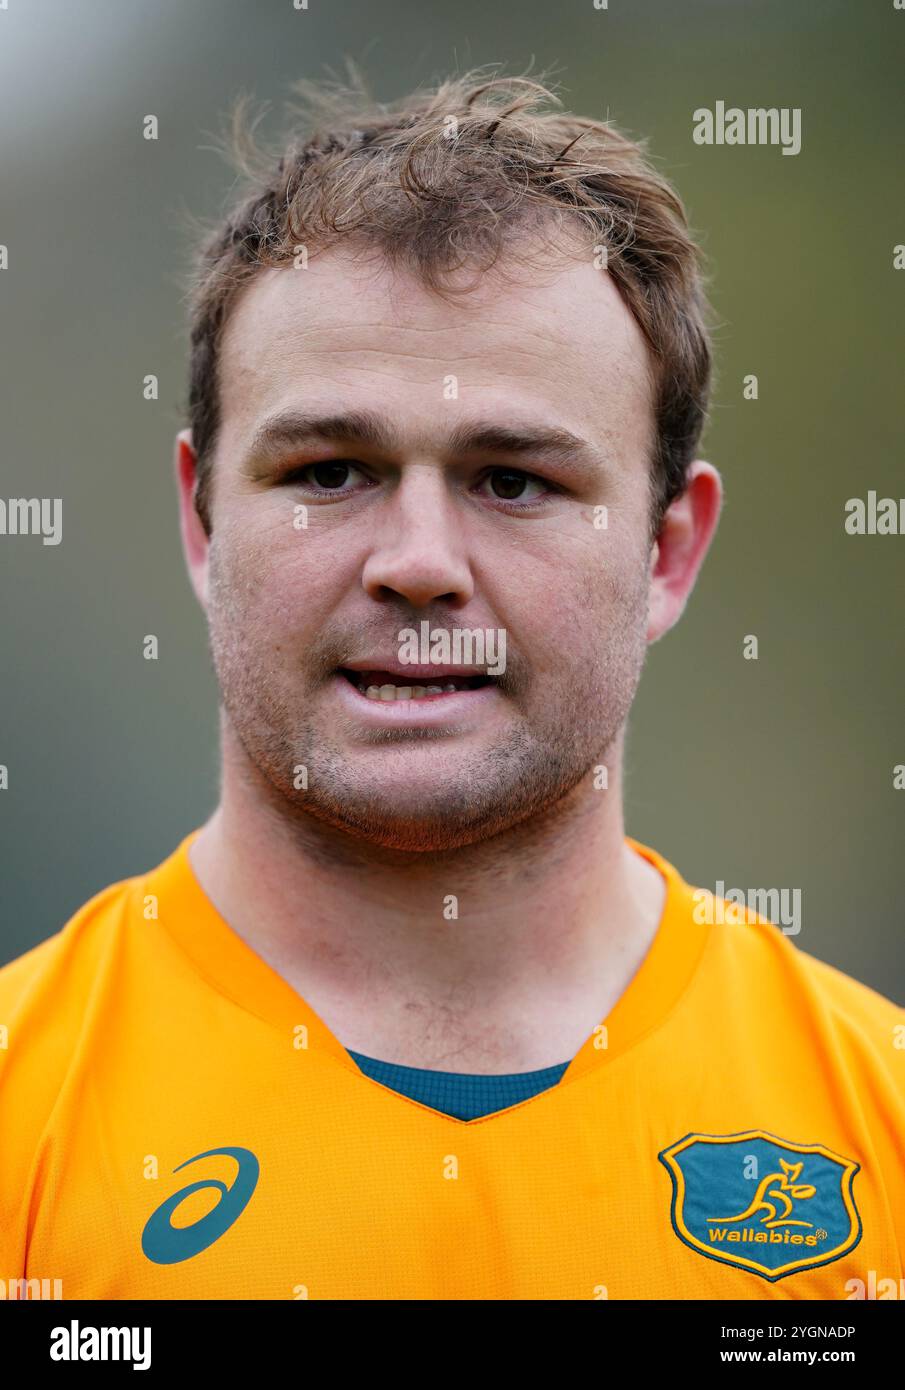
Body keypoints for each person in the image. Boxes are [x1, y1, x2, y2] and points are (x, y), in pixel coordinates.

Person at [1, 72, 901, 1301]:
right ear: (201, 520)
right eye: (329, 470)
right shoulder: (22, 1106)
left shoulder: (875, 1119)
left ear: (665, 550)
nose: (416, 564)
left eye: (513, 481)